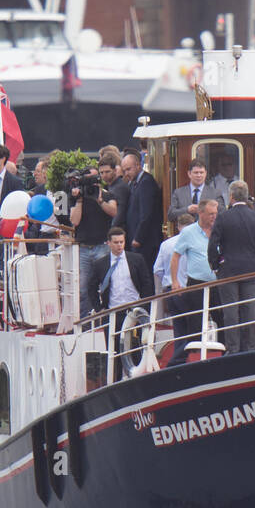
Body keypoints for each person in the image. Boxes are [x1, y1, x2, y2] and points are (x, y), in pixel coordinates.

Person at [207, 180, 255, 354]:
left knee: (230, 311)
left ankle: (233, 349)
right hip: (251, 270)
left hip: (228, 271)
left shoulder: (223, 217)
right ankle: (251, 347)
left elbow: (213, 245)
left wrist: (216, 265)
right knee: (250, 310)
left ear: (231, 196)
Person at [90, 227, 151, 379]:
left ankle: (138, 379)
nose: (119, 245)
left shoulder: (136, 259)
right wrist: (99, 309)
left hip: (134, 310)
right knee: (115, 351)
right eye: (116, 242)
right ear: (108, 243)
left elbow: (147, 284)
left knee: (137, 348)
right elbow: (91, 287)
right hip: (113, 312)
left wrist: (144, 307)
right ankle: (115, 380)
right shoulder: (100, 264)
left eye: (122, 242)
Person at [168, 199, 219, 365]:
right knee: (195, 323)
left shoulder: (220, 230)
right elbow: (176, 256)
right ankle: (191, 361)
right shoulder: (188, 232)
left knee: (223, 318)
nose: (214, 217)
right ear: (201, 213)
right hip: (196, 284)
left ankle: (226, 357)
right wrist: (175, 281)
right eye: (211, 214)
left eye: (215, 213)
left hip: (218, 284)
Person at [69, 162, 119, 318]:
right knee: (83, 287)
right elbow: (74, 221)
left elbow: (113, 212)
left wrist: (99, 200)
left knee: (105, 284)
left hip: (102, 246)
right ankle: (85, 319)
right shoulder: (77, 198)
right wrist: (79, 200)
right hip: (84, 248)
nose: (92, 183)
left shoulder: (107, 195)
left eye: (94, 179)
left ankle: (104, 316)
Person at [117, 148, 164, 276]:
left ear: (138, 166)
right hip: (135, 239)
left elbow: (146, 214)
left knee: (145, 275)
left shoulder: (146, 183)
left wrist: (138, 238)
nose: (126, 174)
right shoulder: (134, 183)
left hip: (145, 241)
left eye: (128, 169)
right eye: (124, 170)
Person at [168, 159, 225, 225]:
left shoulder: (215, 193)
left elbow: (223, 214)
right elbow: (170, 215)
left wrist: (206, 210)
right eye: (196, 172)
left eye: (201, 172)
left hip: (208, 233)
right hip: (186, 233)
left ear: (205, 173)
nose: (199, 175)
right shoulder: (178, 193)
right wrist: (187, 210)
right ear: (189, 174)